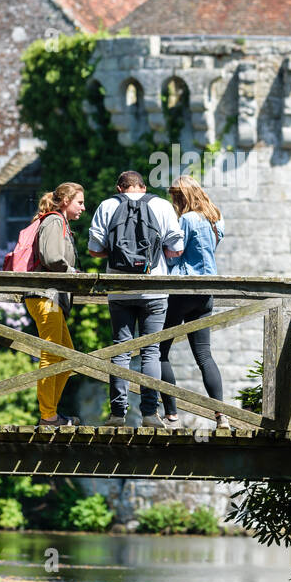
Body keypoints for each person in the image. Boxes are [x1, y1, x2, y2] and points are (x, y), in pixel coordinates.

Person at [87, 170, 183, 428]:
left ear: (120, 188)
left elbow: (94, 250)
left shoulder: (107, 206)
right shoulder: (161, 205)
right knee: (151, 351)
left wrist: (118, 256)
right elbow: (177, 249)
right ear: (143, 186)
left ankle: (118, 414)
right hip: (154, 289)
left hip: (119, 290)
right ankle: (150, 414)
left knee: (121, 350)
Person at [158, 175, 229, 430]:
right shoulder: (215, 218)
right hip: (206, 293)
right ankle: (221, 415)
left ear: (181, 197)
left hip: (183, 289)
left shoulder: (187, 219)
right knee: (204, 355)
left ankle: (172, 415)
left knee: (158, 351)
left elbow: (177, 255)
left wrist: (164, 255)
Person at [20, 182, 86, 427]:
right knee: (52, 354)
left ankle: (51, 413)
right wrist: (73, 272)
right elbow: (51, 257)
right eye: (79, 202)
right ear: (66, 200)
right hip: (44, 296)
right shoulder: (54, 221)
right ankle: (48, 416)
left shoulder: (60, 223)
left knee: (66, 356)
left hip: (51, 297)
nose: (83, 207)